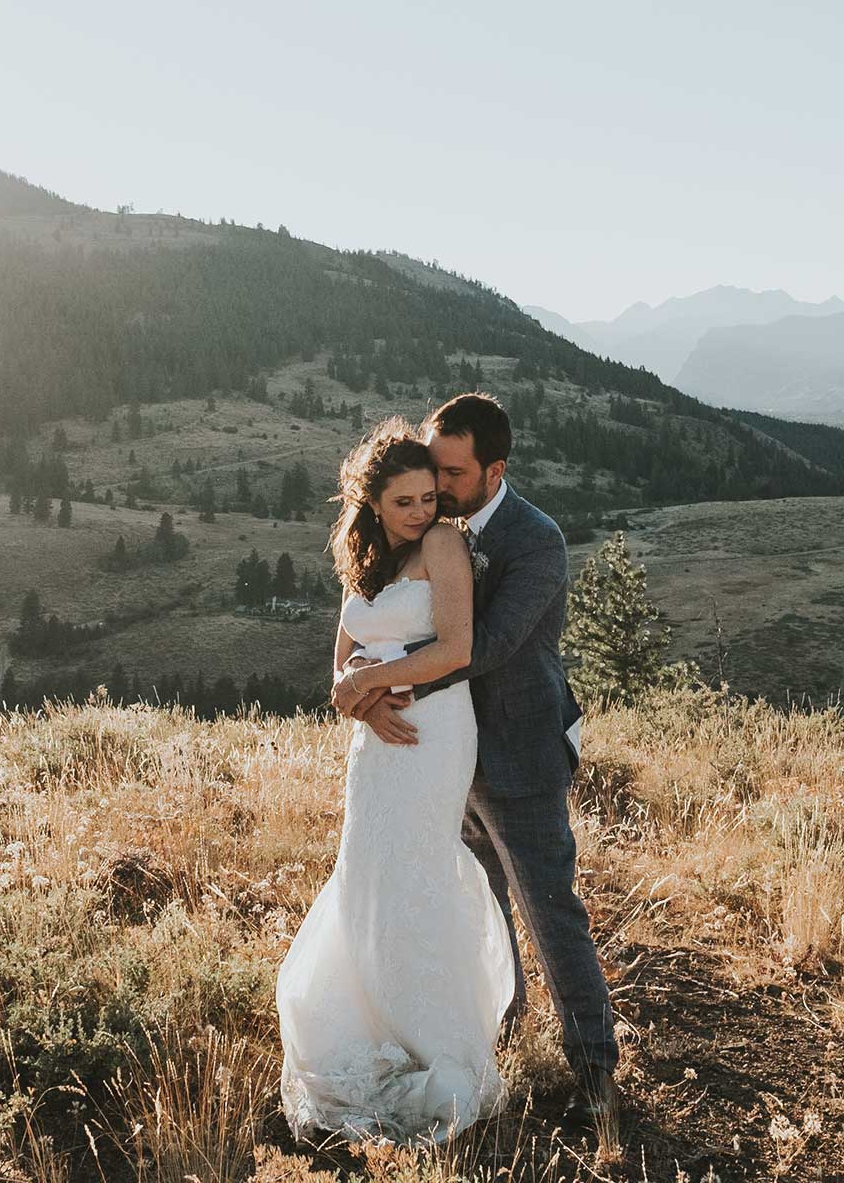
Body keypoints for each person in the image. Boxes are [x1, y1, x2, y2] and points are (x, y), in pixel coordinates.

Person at [345, 392, 620, 1133]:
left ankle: (595, 1066)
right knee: (479, 904)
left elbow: (489, 646)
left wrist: (379, 684)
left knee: (550, 911)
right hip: (445, 757)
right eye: (432, 468)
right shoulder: (436, 530)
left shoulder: (537, 541)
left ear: (494, 470)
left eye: (452, 472)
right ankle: (502, 1026)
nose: (436, 484)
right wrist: (373, 695)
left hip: (518, 754)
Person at [276, 416, 515, 1144]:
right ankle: (371, 1017)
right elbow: (342, 662)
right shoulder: (364, 557)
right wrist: (362, 697)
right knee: (369, 869)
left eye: (427, 497)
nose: (422, 511)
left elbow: (455, 648)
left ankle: (435, 1034)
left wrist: (374, 683)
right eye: (404, 501)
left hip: (434, 732)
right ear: (371, 503)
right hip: (374, 742)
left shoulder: (445, 544)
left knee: (417, 869)